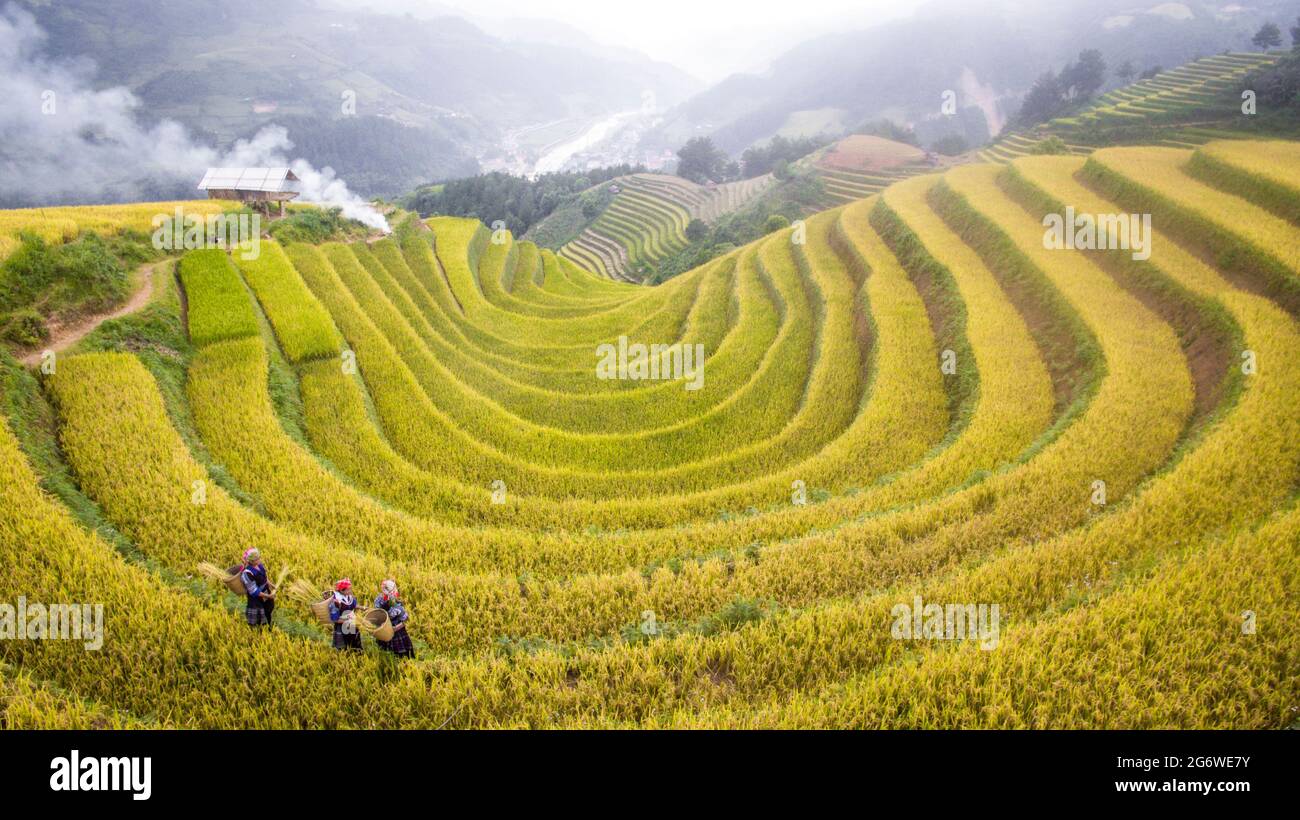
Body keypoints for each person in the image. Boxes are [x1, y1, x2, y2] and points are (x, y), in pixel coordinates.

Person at [373, 579, 414, 659]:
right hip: (386, 630)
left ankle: (404, 665)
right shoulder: (379, 600)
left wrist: (396, 628)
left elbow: (405, 619)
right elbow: (378, 615)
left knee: (401, 655)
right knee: (388, 655)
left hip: (396, 629)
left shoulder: (396, 602)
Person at [240, 548, 274, 628]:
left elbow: (264, 577)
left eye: (259, 558)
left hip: (265, 593)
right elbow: (254, 591)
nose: (259, 560)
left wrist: (271, 584)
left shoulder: (259, 566)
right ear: (251, 561)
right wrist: (268, 596)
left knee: (268, 610)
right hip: (256, 599)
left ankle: (268, 627)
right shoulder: (247, 573)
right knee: (258, 618)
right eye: (257, 559)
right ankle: (257, 632)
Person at [328, 578, 362, 651]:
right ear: (341, 590)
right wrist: (347, 620)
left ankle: (357, 656)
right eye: (348, 589)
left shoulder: (349, 597)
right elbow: (335, 620)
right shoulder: (336, 602)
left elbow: (354, 605)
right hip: (342, 627)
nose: (350, 591)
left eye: (350, 589)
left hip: (352, 624)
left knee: (355, 644)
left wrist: (363, 607)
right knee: (344, 648)